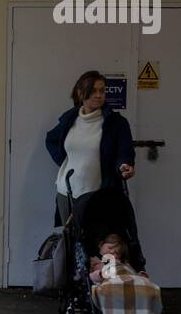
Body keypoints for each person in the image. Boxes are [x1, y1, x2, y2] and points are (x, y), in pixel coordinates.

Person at [45, 71, 135, 223]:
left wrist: (125, 165)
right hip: (65, 193)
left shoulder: (116, 123)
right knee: (70, 242)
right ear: (80, 93)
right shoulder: (70, 118)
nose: (99, 95)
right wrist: (64, 162)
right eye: (93, 91)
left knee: (96, 242)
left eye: (102, 90)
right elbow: (51, 139)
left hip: (97, 195)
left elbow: (124, 152)